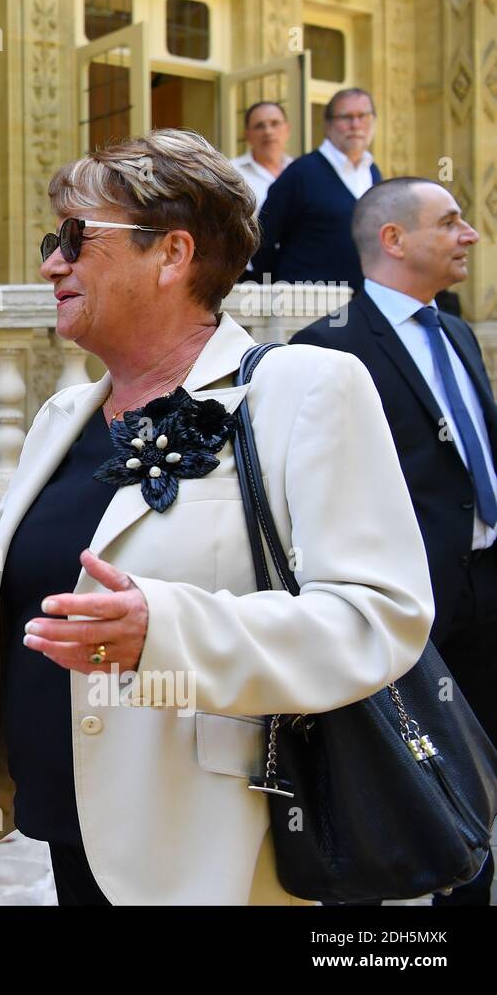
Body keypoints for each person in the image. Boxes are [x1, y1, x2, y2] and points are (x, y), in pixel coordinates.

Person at [0, 129, 434, 905]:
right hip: (74, 831)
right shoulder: (64, 414)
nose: (52, 263)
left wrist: (164, 631)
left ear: (173, 254)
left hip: (214, 850)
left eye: (76, 239)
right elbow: (7, 571)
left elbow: (380, 617)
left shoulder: (304, 389)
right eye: (55, 239)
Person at [292, 177, 495, 905]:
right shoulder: (326, 349)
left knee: (480, 773)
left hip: (486, 592)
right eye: (451, 222)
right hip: (402, 604)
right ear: (394, 239)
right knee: (384, 783)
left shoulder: (459, 332)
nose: (469, 234)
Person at [252, 87, 382, 288]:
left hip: (361, 303)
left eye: (363, 116)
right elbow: (262, 240)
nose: (356, 125)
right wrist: (281, 286)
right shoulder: (300, 173)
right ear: (328, 125)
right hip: (307, 307)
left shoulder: (373, 172)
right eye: (346, 117)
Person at [231, 101, 292, 218]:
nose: (268, 132)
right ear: (247, 135)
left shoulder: (301, 172)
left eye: (275, 123)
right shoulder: (231, 173)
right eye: (259, 126)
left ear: (287, 129)